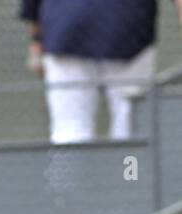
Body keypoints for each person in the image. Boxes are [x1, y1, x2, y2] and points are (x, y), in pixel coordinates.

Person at [20, 0, 182, 143]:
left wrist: (36, 40)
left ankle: (70, 176)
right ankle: (130, 176)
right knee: (130, 126)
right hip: (126, 28)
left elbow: (30, 7)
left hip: (64, 28)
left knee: (70, 129)